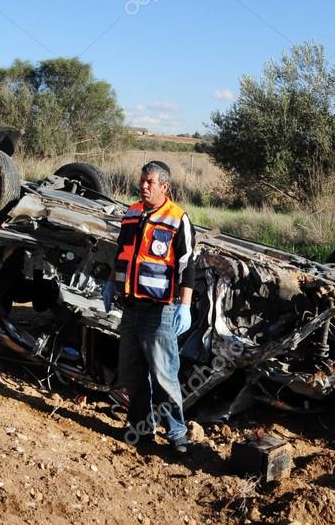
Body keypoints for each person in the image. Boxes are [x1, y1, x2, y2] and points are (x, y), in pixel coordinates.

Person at [103, 160, 195, 454]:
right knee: (133, 373)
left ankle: (177, 433)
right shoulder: (131, 214)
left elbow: (187, 266)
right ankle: (140, 429)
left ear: (165, 187)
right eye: (142, 181)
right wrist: (109, 283)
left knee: (164, 375)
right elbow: (121, 253)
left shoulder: (177, 219)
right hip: (130, 307)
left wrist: (185, 305)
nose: (143, 186)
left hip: (160, 311)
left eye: (150, 182)